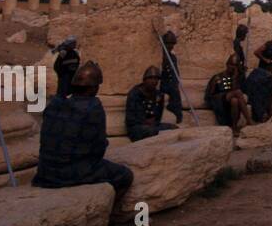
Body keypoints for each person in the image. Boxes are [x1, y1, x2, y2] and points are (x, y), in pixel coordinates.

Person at [33, 62, 133, 194]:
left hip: (44, 172)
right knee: (125, 175)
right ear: (93, 88)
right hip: (71, 174)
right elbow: (98, 148)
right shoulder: (93, 107)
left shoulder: (55, 104)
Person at [124, 66, 176, 142]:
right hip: (137, 128)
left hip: (153, 126)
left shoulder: (159, 95)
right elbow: (130, 119)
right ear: (145, 80)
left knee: (174, 128)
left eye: (156, 79)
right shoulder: (135, 94)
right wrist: (145, 121)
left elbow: (158, 117)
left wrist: (154, 122)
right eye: (150, 78)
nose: (153, 81)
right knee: (153, 131)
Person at [206, 55, 251, 134]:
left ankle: (234, 126)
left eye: (235, 66)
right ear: (227, 65)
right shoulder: (218, 77)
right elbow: (210, 94)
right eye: (231, 65)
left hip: (229, 98)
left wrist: (235, 76)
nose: (232, 68)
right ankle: (249, 121)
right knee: (238, 92)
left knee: (235, 101)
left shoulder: (237, 77)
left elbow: (237, 89)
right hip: (218, 99)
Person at [157, 30, 184, 124]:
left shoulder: (172, 57)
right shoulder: (159, 56)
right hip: (161, 84)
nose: (170, 46)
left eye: (172, 44)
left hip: (170, 84)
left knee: (175, 93)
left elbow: (175, 72)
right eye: (168, 43)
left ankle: (177, 115)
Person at [232, 24, 250, 90]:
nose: (245, 36)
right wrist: (241, 69)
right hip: (238, 71)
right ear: (242, 34)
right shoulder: (236, 43)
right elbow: (237, 59)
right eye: (245, 34)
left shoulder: (237, 43)